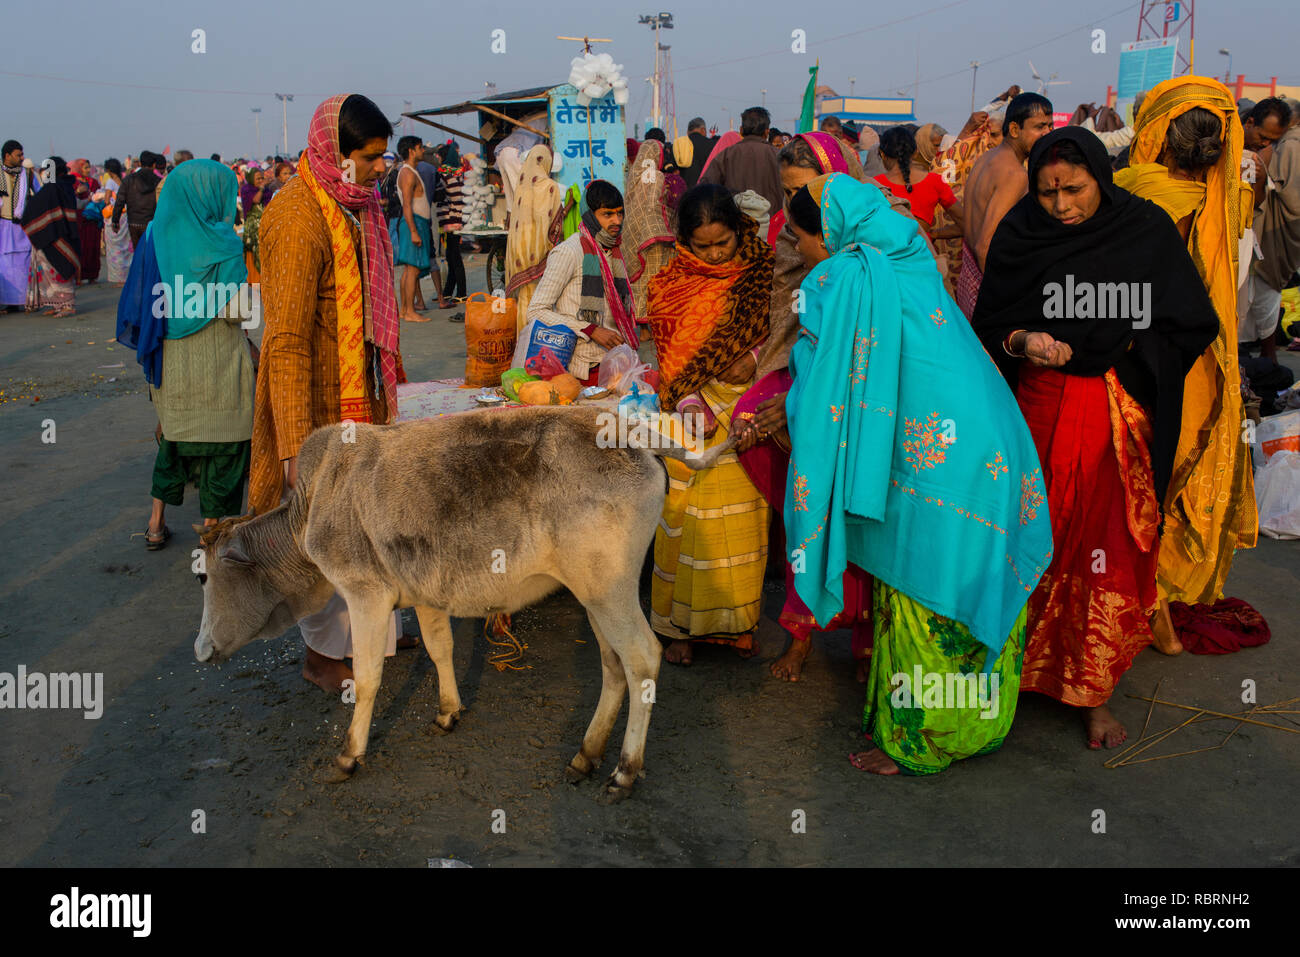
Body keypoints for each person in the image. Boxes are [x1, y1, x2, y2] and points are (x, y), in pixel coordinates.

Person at [780, 173, 1052, 775]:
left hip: (932, 461)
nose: (797, 250)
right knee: (971, 573)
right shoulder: (909, 254)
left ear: (828, 235)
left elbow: (820, 382)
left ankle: (917, 742)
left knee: (919, 592)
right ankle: (978, 726)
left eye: (799, 238)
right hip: (989, 443)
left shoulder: (845, 276)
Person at [971, 128, 1219, 749]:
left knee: (1099, 540)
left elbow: (1191, 319)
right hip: (1034, 408)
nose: (1061, 205)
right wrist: (1023, 340)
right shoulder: (1022, 233)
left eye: (1075, 189)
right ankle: (1011, 671)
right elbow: (991, 321)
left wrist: (1129, 343)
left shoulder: (1142, 229)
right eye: (1048, 192)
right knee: (1027, 531)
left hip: (1112, 412)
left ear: (1101, 181)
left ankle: (1090, 690)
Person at [248, 94, 403, 692]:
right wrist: (294, 447)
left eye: (383, 156)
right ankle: (321, 656)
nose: (380, 168)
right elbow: (285, 339)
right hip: (315, 405)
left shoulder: (355, 203)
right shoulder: (296, 215)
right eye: (370, 157)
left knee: (364, 525)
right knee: (326, 536)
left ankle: (369, 637)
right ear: (336, 153)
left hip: (358, 393)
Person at [1114, 77, 1259, 652]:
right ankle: (1163, 595)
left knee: (1136, 475)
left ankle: (1138, 599)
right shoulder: (1230, 201)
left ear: (1154, 132)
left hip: (1140, 356)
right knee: (1176, 471)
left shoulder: (1130, 194)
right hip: (1207, 360)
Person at [736, 130, 875, 681]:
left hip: (862, 390)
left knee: (860, 508)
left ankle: (866, 638)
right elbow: (781, 322)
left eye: (808, 190)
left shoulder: (877, 235)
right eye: (789, 191)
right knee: (807, 503)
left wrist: (806, 397)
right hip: (799, 372)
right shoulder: (787, 232)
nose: (798, 204)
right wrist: (787, 388)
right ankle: (801, 632)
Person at [646, 184, 774, 664]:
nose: (717, 254)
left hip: (747, 407)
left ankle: (737, 624)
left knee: (742, 520)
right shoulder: (670, 284)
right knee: (685, 517)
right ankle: (679, 628)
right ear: (685, 242)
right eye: (704, 247)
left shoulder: (762, 271)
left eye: (724, 242)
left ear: (739, 230)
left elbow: (785, 330)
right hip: (690, 410)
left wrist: (754, 356)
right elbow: (671, 357)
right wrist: (689, 399)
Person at [116, 159, 255, 549]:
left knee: (175, 441)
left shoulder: (154, 235)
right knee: (224, 445)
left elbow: (143, 301)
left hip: (172, 358)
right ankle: (210, 528)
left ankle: (155, 523)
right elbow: (238, 311)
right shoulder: (224, 241)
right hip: (220, 360)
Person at [526, 180, 638, 384]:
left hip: (617, 358)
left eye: (620, 213)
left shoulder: (615, 250)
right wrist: (590, 329)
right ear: (590, 216)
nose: (617, 221)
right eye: (608, 214)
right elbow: (536, 311)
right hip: (584, 364)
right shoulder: (569, 252)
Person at [958, 92, 1054, 318]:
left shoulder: (986, 158)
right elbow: (984, 246)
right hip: (986, 288)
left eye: (1050, 126)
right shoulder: (1015, 174)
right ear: (1014, 129)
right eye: (1039, 127)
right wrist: (1004, 298)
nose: (1047, 133)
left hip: (968, 281)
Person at [1238, 98, 1297, 364]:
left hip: (1246, 240)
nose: (1264, 144)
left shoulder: (1260, 156)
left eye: (1272, 141)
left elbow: (1255, 202)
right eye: (1262, 136)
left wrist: (1260, 175)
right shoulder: (1222, 144)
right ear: (1249, 123)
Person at [504, 143, 562, 328]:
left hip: (517, 252)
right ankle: (530, 341)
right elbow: (554, 224)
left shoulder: (521, 186)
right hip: (537, 253)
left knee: (523, 298)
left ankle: (521, 338)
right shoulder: (550, 186)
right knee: (538, 301)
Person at [622, 139, 680, 315]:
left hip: (633, 231)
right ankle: (653, 317)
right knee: (653, 277)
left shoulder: (633, 176)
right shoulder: (658, 177)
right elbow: (657, 204)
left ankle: (640, 321)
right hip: (654, 235)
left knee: (639, 281)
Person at [874, 126, 964, 238]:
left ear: (882, 154)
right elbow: (965, 225)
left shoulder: (874, 185)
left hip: (885, 249)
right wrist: (932, 235)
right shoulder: (935, 181)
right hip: (923, 248)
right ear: (916, 152)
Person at [21, 156, 79, 317]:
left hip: (55, 235)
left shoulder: (55, 187)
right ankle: (57, 304)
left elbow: (35, 206)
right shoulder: (65, 185)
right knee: (52, 270)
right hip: (60, 232)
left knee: (59, 269)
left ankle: (67, 305)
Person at [700, 107, 784, 217]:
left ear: (741, 130)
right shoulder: (780, 156)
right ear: (767, 132)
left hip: (737, 222)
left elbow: (704, 190)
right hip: (773, 223)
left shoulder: (726, 156)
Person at [390, 135, 434, 324]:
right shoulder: (407, 173)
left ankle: (404, 310)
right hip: (413, 223)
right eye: (420, 147)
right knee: (413, 269)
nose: (423, 151)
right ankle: (409, 311)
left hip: (415, 222)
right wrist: (414, 231)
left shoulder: (409, 171)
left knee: (409, 269)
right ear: (412, 151)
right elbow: (407, 205)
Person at [1, 140, 40, 310]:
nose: (22, 158)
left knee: (24, 265)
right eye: (19, 155)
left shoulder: (28, 174)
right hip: (3, 227)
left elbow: (40, 195)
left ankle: (26, 300)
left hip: (22, 227)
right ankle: (9, 304)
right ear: (7, 156)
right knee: (4, 265)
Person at [435, 144, 468, 307]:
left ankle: (462, 293)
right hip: (456, 220)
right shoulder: (459, 175)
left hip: (451, 221)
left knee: (455, 258)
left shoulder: (446, 176)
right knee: (450, 256)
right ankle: (448, 291)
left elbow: (442, 197)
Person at [112, 150, 165, 248]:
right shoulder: (158, 181)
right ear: (154, 165)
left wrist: (115, 221)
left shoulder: (129, 180)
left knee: (137, 251)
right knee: (150, 251)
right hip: (151, 223)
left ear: (140, 163)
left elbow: (120, 201)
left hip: (134, 223)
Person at [100, 158, 132, 284]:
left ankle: (118, 278)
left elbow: (107, 200)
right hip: (125, 215)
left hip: (114, 215)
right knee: (125, 247)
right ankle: (127, 275)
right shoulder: (123, 180)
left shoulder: (110, 182)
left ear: (108, 170)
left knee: (115, 248)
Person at [682, 117, 718, 188]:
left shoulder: (680, 145)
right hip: (705, 188)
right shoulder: (712, 145)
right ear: (703, 130)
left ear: (688, 132)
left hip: (685, 190)